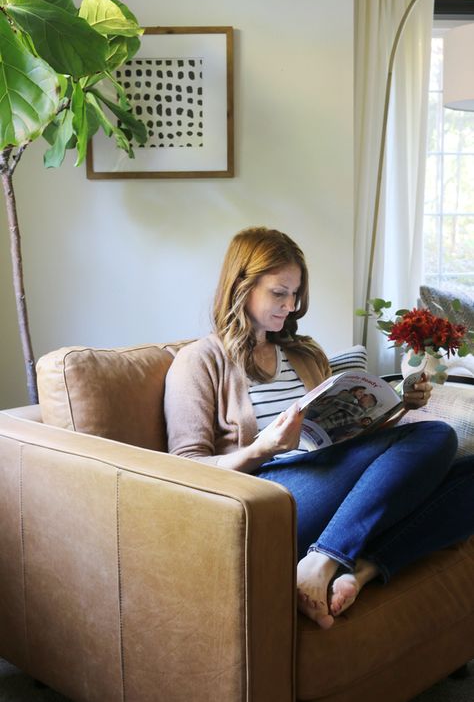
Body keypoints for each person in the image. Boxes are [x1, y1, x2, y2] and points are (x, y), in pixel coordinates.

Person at [164, 227, 474, 630]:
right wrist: (262, 448)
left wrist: (398, 406)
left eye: (296, 295)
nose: (290, 306)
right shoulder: (199, 361)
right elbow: (181, 473)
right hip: (268, 495)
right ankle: (325, 556)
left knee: (454, 457)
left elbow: (348, 438)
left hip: (329, 481)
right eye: (279, 293)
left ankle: (358, 568)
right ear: (241, 285)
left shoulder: (304, 353)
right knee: (436, 436)